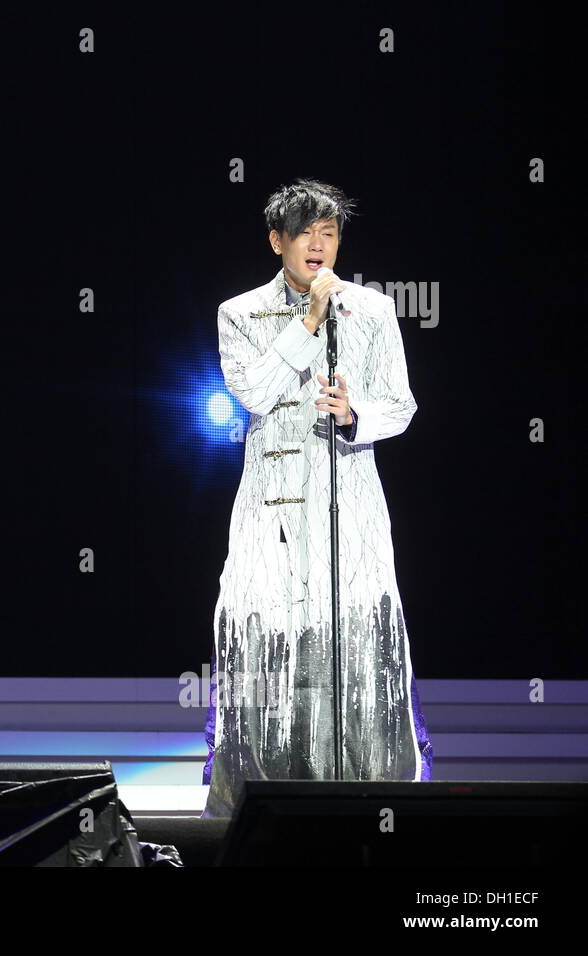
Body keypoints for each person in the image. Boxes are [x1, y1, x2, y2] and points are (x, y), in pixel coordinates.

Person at [202, 180, 432, 818]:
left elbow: (402, 404)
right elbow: (252, 392)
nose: (318, 245)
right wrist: (308, 323)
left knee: (353, 630)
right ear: (278, 241)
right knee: (268, 630)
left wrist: (357, 414)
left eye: (329, 233)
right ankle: (264, 795)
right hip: (270, 506)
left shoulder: (374, 310)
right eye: (305, 233)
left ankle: (370, 794)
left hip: (346, 497)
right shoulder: (239, 313)